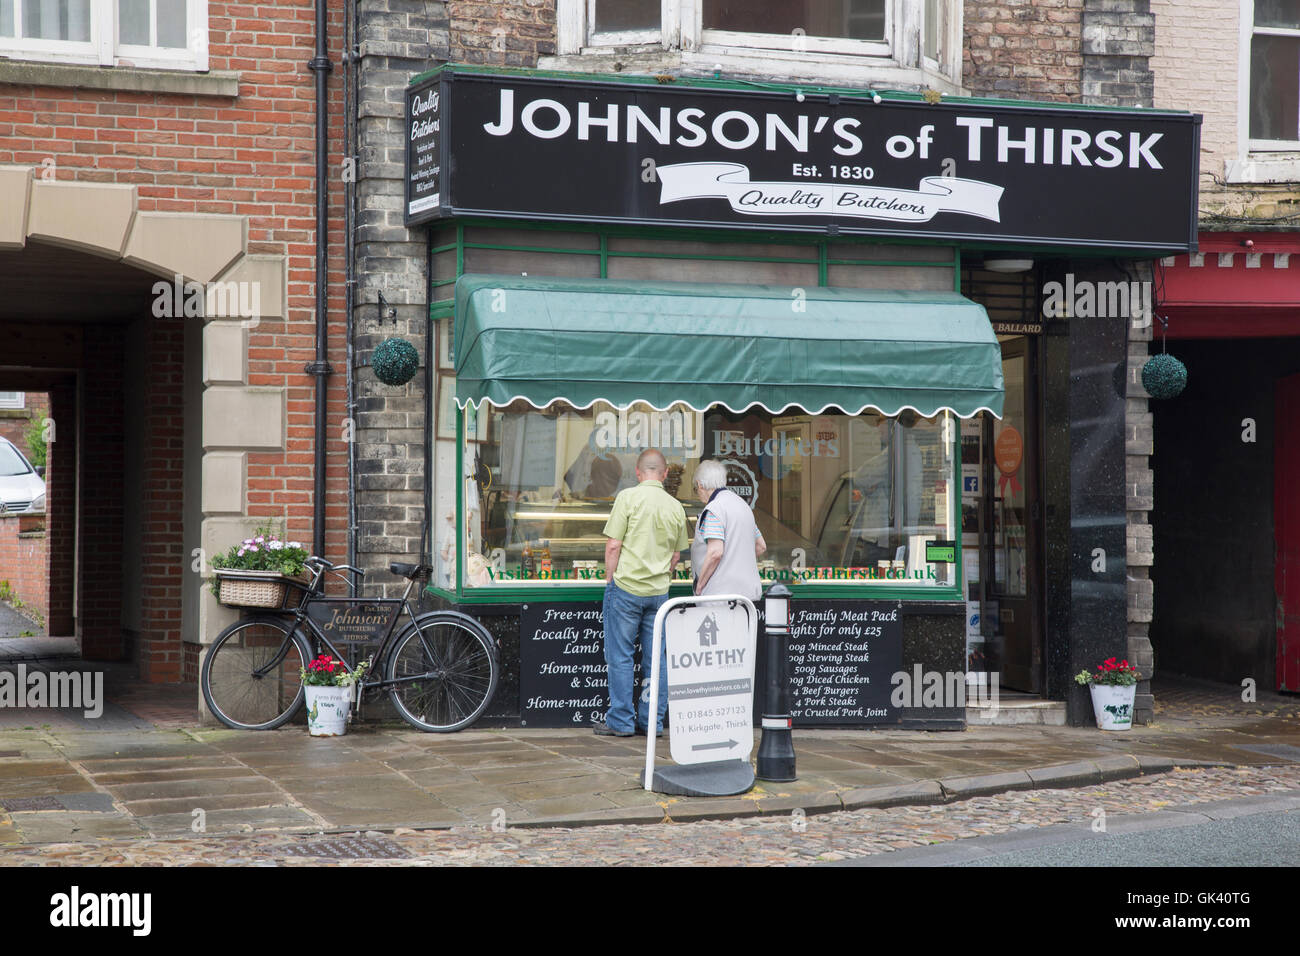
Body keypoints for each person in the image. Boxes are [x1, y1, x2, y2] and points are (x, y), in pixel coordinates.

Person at [595, 448, 688, 737]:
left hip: (626, 589)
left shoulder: (628, 498)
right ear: (665, 473)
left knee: (621, 656)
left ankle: (621, 721)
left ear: (637, 472)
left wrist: (611, 579)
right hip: (659, 593)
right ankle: (652, 723)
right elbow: (676, 556)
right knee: (656, 659)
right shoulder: (676, 507)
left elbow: (613, 545)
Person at [690, 459, 765, 601]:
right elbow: (761, 546)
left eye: (696, 489)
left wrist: (699, 586)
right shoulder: (743, 506)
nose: (698, 494)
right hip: (748, 597)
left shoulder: (714, 509)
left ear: (700, 485)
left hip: (720, 596)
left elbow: (715, 553)